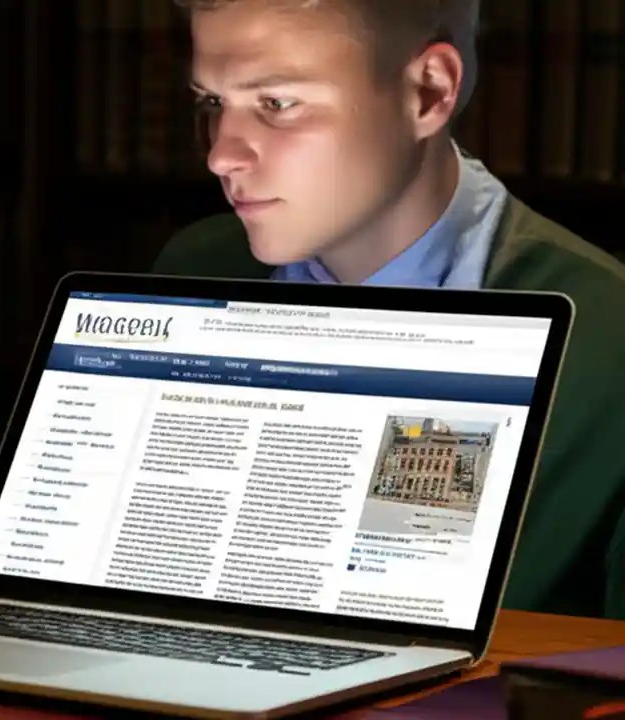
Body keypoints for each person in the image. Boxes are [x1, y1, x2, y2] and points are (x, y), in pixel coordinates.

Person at [151, 0, 625, 620]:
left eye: (277, 103)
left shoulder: (606, 337)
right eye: (213, 103)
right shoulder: (194, 269)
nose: (221, 156)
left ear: (428, 93)